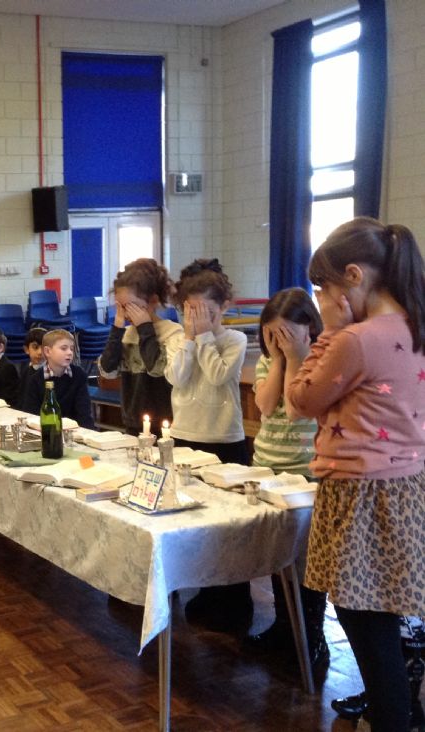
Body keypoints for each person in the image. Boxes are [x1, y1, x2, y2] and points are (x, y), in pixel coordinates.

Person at [285, 217, 425, 732]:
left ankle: (393, 721)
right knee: (382, 618)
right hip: (407, 490)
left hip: (359, 492)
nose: (320, 300)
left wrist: (326, 336)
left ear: (352, 276)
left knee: (365, 623)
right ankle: (399, 715)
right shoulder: (417, 324)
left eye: (322, 289)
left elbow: (300, 400)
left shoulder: (356, 339)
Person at [244, 288, 328, 668]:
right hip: (270, 467)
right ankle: (282, 625)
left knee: (306, 559)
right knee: (279, 554)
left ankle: (312, 637)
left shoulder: (319, 361)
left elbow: (295, 411)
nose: (275, 340)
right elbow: (264, 404)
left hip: (305, 472)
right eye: (269, 333)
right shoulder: (268, 362)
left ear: (308, 327)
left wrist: (296, 357)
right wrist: (279, 358)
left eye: (284, 332)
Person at [164, 258, 249, 629]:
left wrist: (203, 337)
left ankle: (235, 602)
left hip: (224, 439)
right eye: (190, 311)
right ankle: (205, 590)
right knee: (196, 523)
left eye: (206, 312)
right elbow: (176, 378)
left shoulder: (235, 339)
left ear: (224, 308)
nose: (196, 318)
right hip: (186, 434)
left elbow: (216, 376)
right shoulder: (180, 340)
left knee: (229, 524)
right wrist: (189, 338)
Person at [99, 258, 184, 436]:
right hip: (133, 422)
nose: (126, 313)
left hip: (166, 425)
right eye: (121, 307)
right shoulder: (127, 334)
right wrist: (116, 329)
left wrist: (145, 329)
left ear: (152, 301)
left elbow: (157, 369)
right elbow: (108, 370)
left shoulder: (172, 333)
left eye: (131, 306)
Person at [19, 329, 96, 429]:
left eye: (71, 349)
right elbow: (31, 414)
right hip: (45, 431)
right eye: (64, 348)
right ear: (47, 351)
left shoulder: (79, 375)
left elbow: (84, 413)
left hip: (74, 432)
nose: (69, 353)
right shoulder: (35, 379)